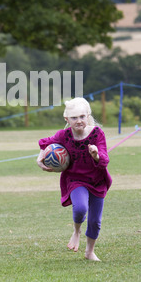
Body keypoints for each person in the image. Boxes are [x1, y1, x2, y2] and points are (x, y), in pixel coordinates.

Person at [37, 97, 112, 261]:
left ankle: (89, 252)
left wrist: (96, 155)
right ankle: (77, 231)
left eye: (82, 117)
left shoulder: (97, 133)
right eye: (74, 118)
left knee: (95, 221)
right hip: (76, 180)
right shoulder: (63, 136)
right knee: (80, 208)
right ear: (67, 119)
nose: (79, 121)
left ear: (88, 115)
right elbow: (45, 143)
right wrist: (40, 159)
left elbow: (105, 160)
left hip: (97, 181)